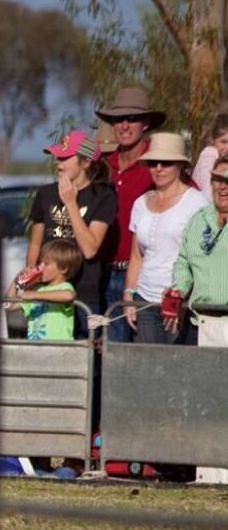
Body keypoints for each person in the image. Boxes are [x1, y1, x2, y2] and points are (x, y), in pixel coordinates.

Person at [20, 129, 116, 339]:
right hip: (47, 290)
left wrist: (71, 203)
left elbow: (90, 250)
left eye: (65, 158)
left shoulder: (103, 196)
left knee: (83, 363)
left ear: (86, 162)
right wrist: (31, 278)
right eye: (57, 157)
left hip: (83, 294)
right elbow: (35, 243)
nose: (58, 163)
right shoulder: (45, 193)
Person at [169, 163, 228, 481]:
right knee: (207, 403)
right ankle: (208, 476)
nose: (223, 186)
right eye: (219, 179)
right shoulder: (200, 219)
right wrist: (180, 285)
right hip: (203, 322)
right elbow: (183, 261)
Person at [95, 84, 165, 343]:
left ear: (145, 123)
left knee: (131, 359)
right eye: (118, 119)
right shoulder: (103, 165)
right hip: (100, 274)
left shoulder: (159, 163)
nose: (124, 125)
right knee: (98, 353)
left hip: (140, 277)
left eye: (132, 119)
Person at [121, 130, 204, 346]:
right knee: (148, 367)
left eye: (166, 163)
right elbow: (136, 256)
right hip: (145, 299)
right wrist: (129, 296)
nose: (158, 168)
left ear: (180, 165)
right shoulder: (140, 203)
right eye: (153, 162)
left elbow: (201, 258)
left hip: (180, 302)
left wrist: (185, 298)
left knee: (177, 369)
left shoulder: (196, 203)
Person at [11, 236, 83, 342]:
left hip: (59, 349)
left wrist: (35, 295)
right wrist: (17, 281)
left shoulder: (64, 287)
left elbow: (69, 295)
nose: (40, 267)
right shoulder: (37, 289)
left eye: (46, 264)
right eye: (40, 262)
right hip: (35, 348)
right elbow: (9, 305)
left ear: (63, 268)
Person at [193, 111, 228, 187]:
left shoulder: (222, 159)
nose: (227, 147)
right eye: (223, 142)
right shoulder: (210, 154)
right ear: (212, 140)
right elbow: (208, 189)